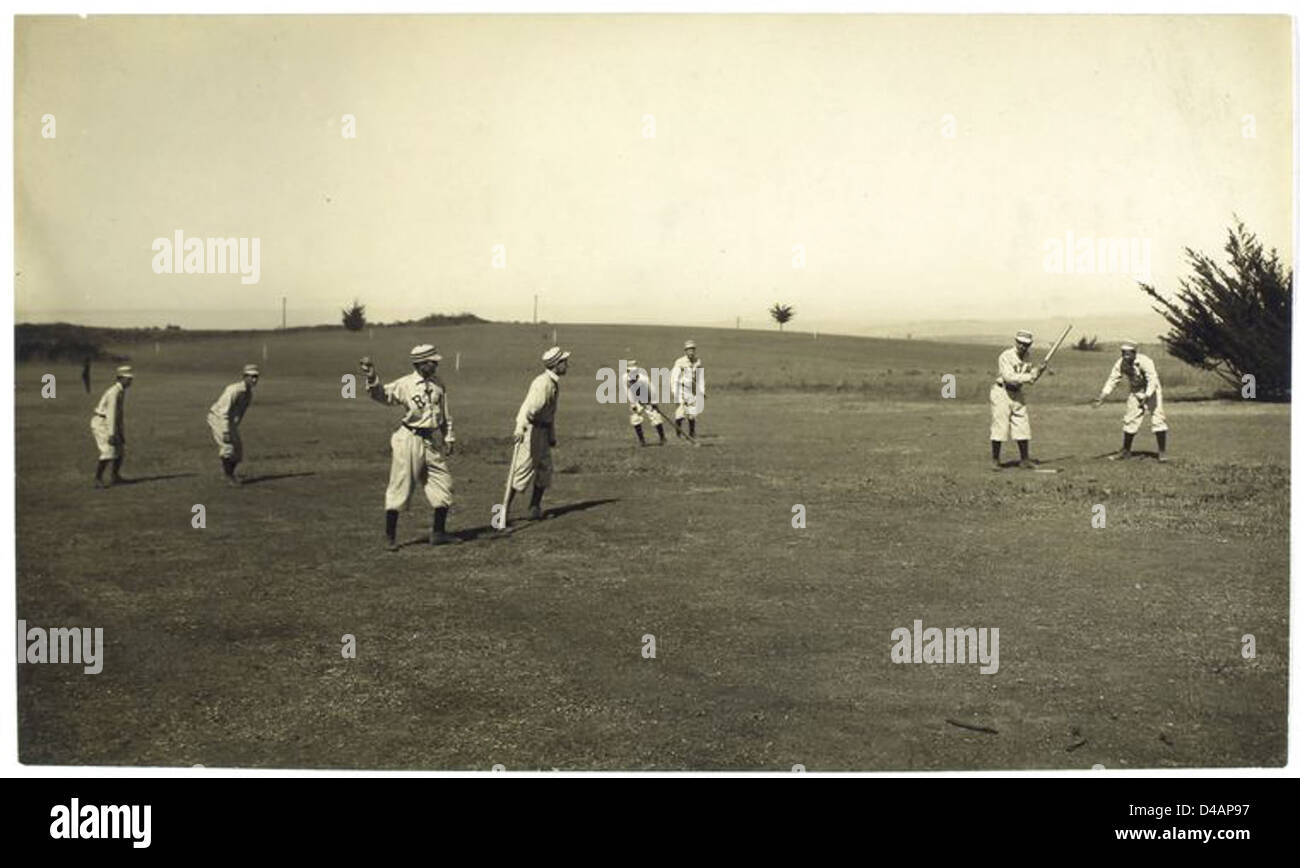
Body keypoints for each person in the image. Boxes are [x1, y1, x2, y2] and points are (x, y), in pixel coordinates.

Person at [361, 344, 457, 550]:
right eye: (433, 362)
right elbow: (382, 396)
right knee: (401, 485)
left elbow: (445, 412)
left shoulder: (439, 383)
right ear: (421, 364)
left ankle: (438, 533)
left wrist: (448, 436)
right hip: (408, 439)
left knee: (444, 484)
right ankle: (390, 536)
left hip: (430, 441)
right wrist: (371, 377)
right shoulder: (406, 384)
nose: (436, 365)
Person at [504, 346, 569, 524]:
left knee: (545, 469)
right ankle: (502, 512)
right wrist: (520, 428)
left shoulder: (552, 381)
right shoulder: (543, 383)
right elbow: (529, 408)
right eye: (564, 362)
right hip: (532, 431)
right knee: (521, 471)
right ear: (556, 364)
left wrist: (551, 434)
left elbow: (550, 412)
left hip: (543, 430)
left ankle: (534, 508)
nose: (567, 365)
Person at [1092, 341, 1168, 461]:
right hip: (1135, 391)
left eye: (1128, 353)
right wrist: (1102, 397)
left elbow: (1152, 379)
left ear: (1134, 353)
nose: (1125, 356)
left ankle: (1162, 452)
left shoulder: (1145, 361)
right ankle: (1126, 451)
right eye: (1123, 353)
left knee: (1158, 419)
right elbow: (1112, 379)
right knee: (1130, 419)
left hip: (1152, 392)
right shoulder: (1121, 363)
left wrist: (1147, 396)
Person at [989, 330, 1040, 470]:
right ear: (1016, 342)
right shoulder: (1006, 356)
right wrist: (1029, 377)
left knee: (1022, 424)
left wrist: (1037, 372)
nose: (1023, 347)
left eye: (1026, 344)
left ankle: (1024, 460)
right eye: (1021, 343)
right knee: (1000, 426)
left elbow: (1030, 376)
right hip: (1002, 392)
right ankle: (995, 460)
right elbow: (1008, 377)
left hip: (1017, 393)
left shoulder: (1028, 357)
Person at [207, 364, 260, 484]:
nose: (254, 380)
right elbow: (223, 411)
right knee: (228, 447)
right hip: (218, 418)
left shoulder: (248, 394)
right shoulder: (234, 390)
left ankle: (230, 474)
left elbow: (240, 413)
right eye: (251, 377)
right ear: (244, 377)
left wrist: (234, 426)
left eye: (256, 377)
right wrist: (225, 431)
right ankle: (229, 476)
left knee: (238, 450)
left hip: (229, 420)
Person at [90, 365, 133, 487]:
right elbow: (111, 414)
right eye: (128, 379)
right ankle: (97, 479)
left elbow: (118, 414)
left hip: (109, 422)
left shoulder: (120, 391)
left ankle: (115, 476)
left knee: (120, 450)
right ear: (120, 378)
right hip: (102, 422)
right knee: (108, 451)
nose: (130, 381)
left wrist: (120, 432)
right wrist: (112, 434)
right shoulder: (114, 392)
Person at [625, 359, 666, 446]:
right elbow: (628, 392)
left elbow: (652, 390)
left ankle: (662, 438)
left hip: (648, 400)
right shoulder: (625, 379)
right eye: (630, 371)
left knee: (655, 417)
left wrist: (654, 403)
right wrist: (633, 404)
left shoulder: (644, 379)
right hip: (636, 401)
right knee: (635, 418)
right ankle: (641, 440)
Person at [670, 339, 705, 439]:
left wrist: (701, 390)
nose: (691, 352)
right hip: (680, 388)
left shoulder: (698, 361)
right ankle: (678, 434)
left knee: (692, 412)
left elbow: (699, 377)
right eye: (689, 350)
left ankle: (691, 433)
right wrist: (674, 391)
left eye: (693, 349)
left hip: (691, 389)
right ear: (685, 351)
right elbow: (674, 377)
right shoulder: (680, 362)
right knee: (680, 412)